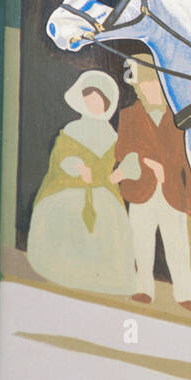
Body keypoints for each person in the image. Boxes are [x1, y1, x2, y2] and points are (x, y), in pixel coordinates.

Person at [114, 53, 191, 316]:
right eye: (143, 85)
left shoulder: (179, 120)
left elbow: (187, 164)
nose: (148, 89)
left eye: (153, 83)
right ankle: (143, 287)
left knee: (178, 245)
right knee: (140, 241)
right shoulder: (129, 114)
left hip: (172, 193)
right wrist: (147, 162)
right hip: (141, 190)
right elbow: (122, 150)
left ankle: (187, 295)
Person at [27, 71, 137, 295]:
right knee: (64, 213)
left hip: (103, 190)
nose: (93, 103)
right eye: (89, 98)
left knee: (111, 222)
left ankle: (105, 279)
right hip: (70, 187)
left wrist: (119, 174)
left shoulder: (112, 135)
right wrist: (77, 167)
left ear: (107, 104)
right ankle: (64, 271)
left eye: (98, 99)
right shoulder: (72, 129)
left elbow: (121, 164)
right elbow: (61, 156)